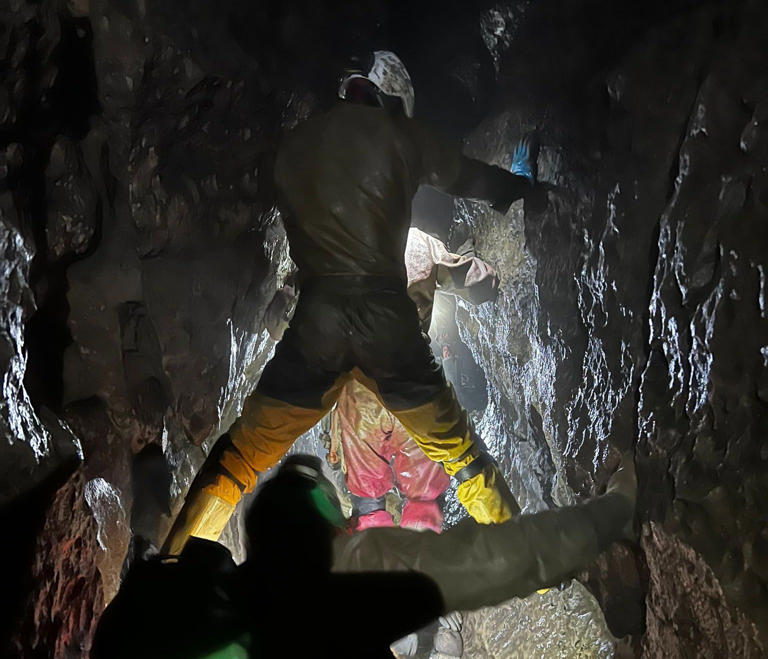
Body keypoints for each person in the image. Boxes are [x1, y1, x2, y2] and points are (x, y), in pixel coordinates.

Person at [162, 50, 539, 555]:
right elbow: (470, 179)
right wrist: (519, 190)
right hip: (387, 324)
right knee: (461, 455)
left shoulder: (294, 145)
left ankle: (172, 558)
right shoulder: (400, 140)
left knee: (240, 456)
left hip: (318, 322)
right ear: (393, 100)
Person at [94, 453, 637, 659]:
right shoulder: (347, 576)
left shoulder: (195, 592)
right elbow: (500, 559)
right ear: (334, 531)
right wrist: (616, 508)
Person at [326, 228, 499, 534]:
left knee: (368, 507)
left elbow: (280, 324)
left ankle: (375, 567)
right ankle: (421, 569)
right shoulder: (418, 241)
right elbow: (479, 283)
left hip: (355, 395)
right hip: (412, 385)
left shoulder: (329, 244)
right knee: (425, 502)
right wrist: (472, 259)